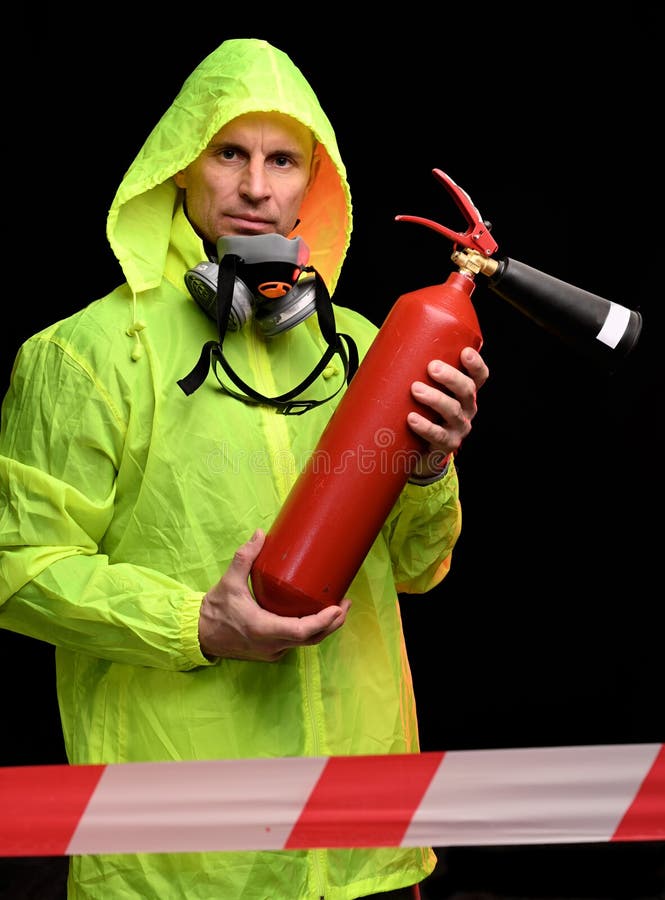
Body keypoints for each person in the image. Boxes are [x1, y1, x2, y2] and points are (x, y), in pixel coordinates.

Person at [0, 38, 488, 899]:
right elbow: (19, 571)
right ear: (181, 168)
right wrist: (197, 626)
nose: (257, 188)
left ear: (315, 182)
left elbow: (415, 570)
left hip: (364, 852)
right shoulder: (85, 356)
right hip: (182, 865)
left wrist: (429, 466)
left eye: (283, 160)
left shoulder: (367, 354)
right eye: (230, 153)